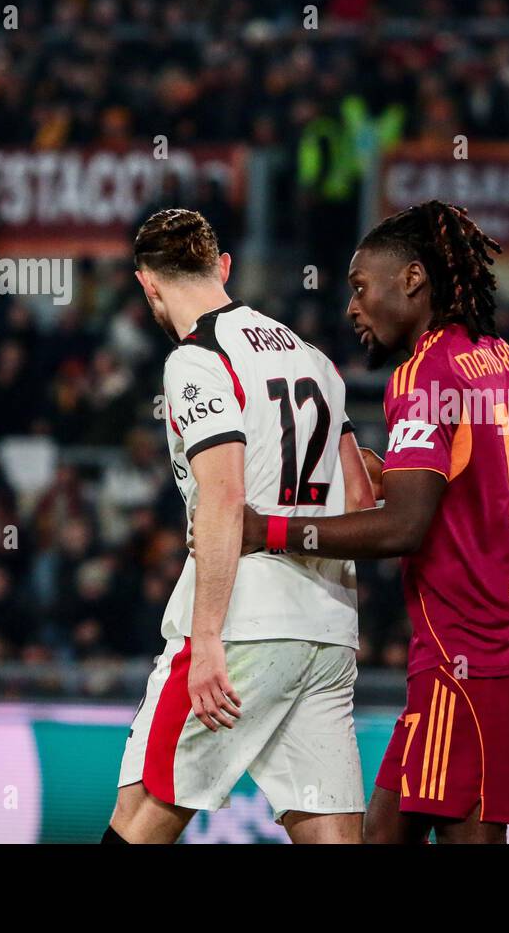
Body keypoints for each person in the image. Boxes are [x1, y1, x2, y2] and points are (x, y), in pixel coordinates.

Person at [238, 200, 509, 843]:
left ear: (413, 279)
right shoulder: (498, 357)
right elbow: (471, 483)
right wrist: (389, 469)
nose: (352, 307)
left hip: (470, 646)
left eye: (360, 287)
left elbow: (403, 528)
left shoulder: (423, 373)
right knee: (391, 834)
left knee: (446, 836)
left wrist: (267, 532)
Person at [104, 209, 374, 844]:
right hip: (328, 630)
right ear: (223, 267)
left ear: (147, 284)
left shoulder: (196, 360)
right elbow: (362, 502)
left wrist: (206, 644)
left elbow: (223, 501)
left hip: (243, 625)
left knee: (143, 814)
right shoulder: (315, 360)